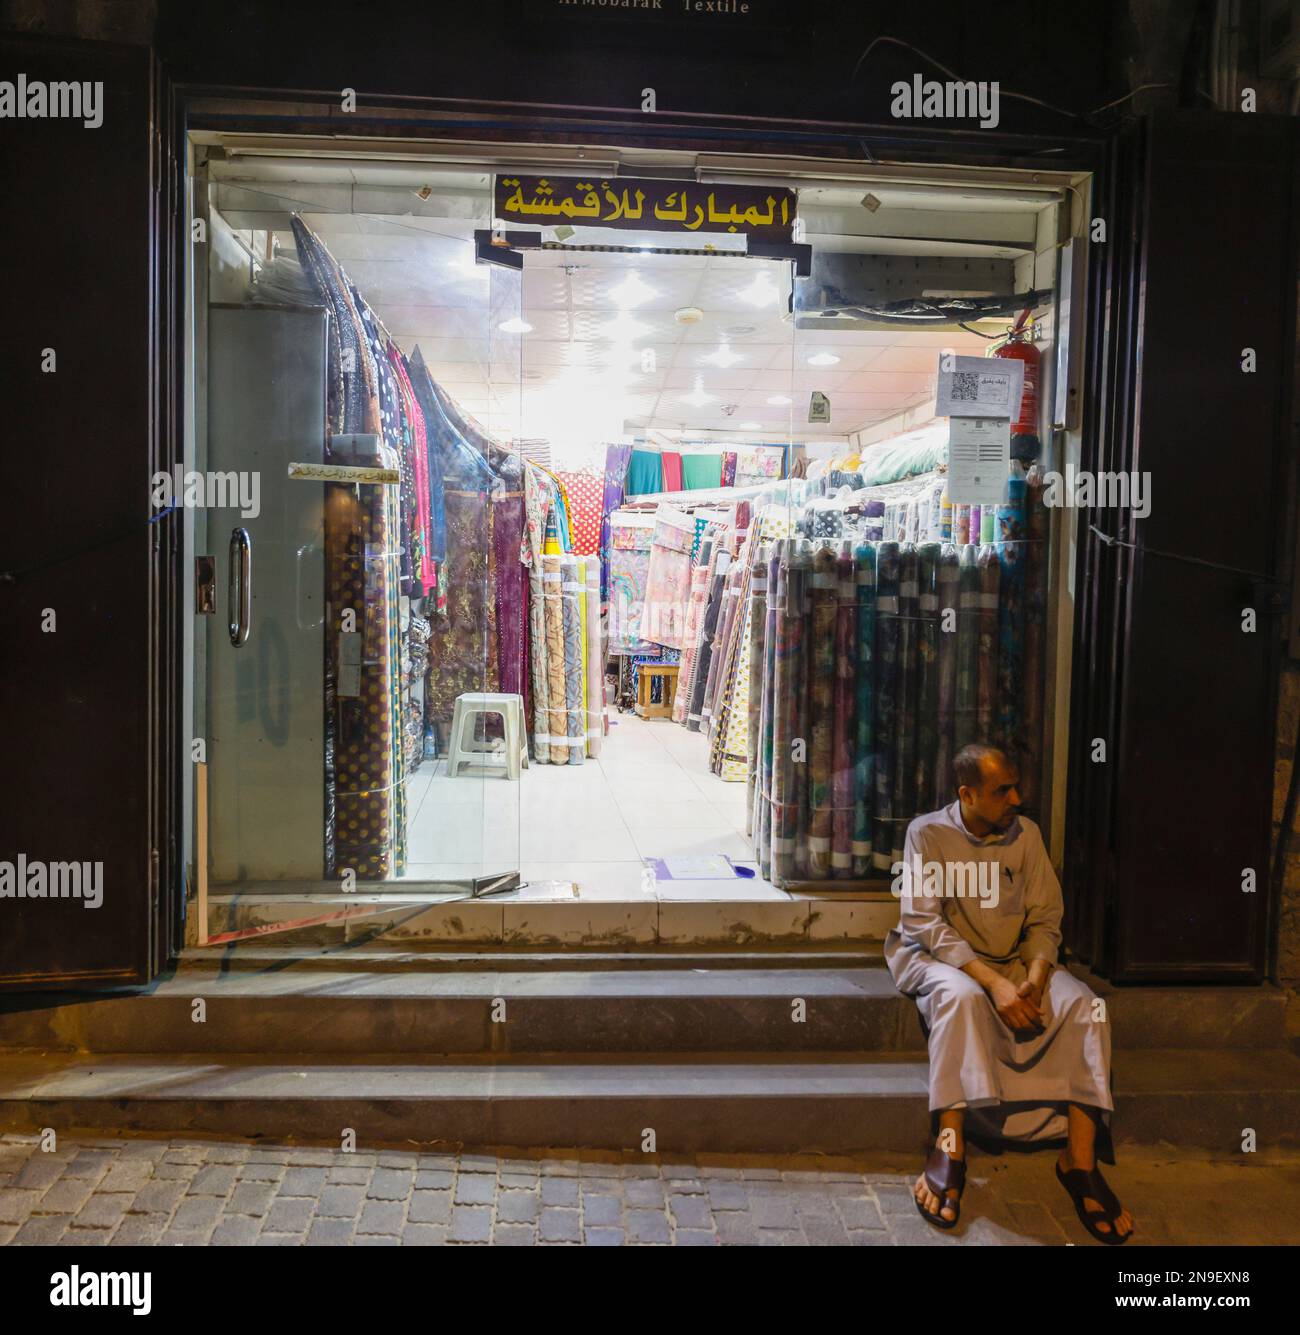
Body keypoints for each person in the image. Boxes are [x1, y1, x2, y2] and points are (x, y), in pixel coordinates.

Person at [884, 744, 1134, 1244]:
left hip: (1015, 961)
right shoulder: (927, 833)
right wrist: (995, 984)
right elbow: (925, 923)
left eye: (1016, 787)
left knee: (1085, 1004)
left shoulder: (1026, 836)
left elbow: (1045, 917)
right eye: (1003, 791)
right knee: (960, 999)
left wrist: (1035, 979)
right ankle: (950, 1145)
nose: (1016, 799)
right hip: (941, 961)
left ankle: (1079, 1161)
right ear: (967, 794)